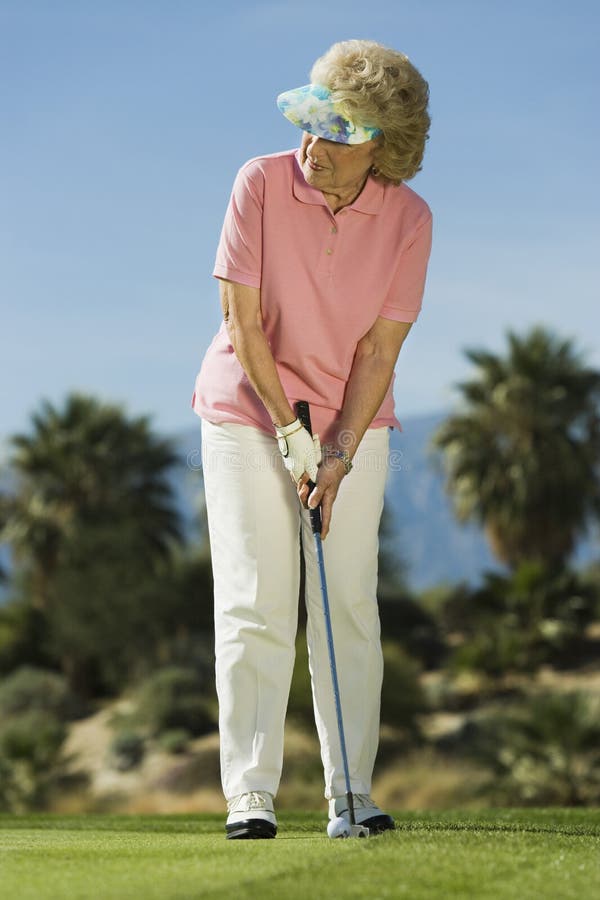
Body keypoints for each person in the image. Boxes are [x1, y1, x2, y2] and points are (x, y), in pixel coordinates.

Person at [191, 38, 432, 839]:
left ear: (380, 149)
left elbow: (379, 351)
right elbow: (243, 322)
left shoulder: (408, 220)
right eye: (310, 123)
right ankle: (250, 794)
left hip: (351, 424)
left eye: (336, 133)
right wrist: (291, 434)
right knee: (257, 599)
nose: (312, 146)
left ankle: (351, 791)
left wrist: (335, 452)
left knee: (348, 602)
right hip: (245, 412)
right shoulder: (258, 183)